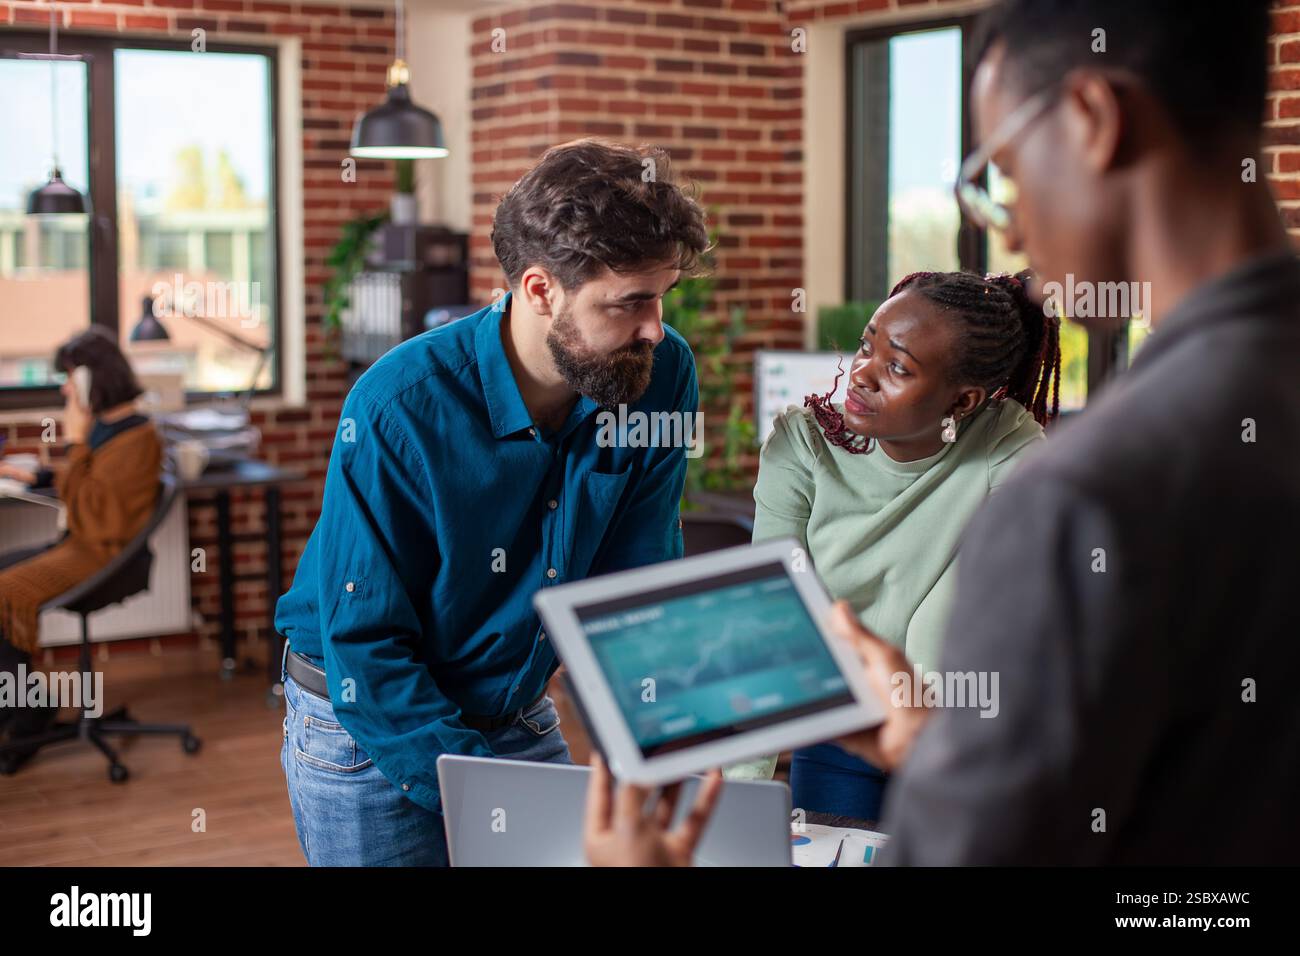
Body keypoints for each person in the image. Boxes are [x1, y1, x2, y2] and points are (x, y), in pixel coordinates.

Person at [589, 0, 1300, 865]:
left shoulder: (1084, 490)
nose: (1010, 224)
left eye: (1000, 171)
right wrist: (930, 748)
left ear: (1091, 120)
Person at [274, 139, 710, 866]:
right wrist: (484, 796)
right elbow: (367, 641)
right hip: (370, 718)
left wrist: (664, 740)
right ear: (539, 290)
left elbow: (636, 587)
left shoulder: (659, 375)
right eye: (629, 302)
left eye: (663, 296)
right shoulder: (398, 405)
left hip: (512, 701)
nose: (655, 327)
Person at [729, 269, 1060, 824]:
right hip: (845, 733)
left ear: (964, 399)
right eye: (866, 346)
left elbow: (966, 608)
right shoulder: (802, 445)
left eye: (897, 367)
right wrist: (740, 803)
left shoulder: (1007, 444)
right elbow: (770, 617)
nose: (861, 374)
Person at [0, 326, 162, 770]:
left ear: (96, 378)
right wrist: (39, 476)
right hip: (79, 543)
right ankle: (21, 704)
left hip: (102, 556)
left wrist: (73, 439)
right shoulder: (107, 427)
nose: (65, 387)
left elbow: (98, 515)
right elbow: (90, 483)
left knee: (5, 592)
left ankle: (28, 713)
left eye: (71, 377)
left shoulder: (138, 436)